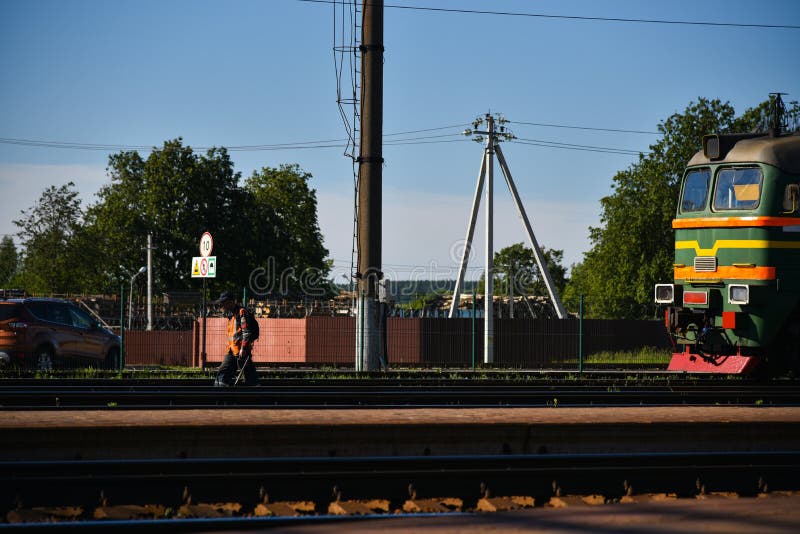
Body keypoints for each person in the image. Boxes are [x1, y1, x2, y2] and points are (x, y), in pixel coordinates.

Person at [213, 291, 259, 387]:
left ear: (230, 302)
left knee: (249, 377)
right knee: (223, 375)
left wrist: (243, 348)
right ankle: (220, 393)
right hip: (232, 350)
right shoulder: (231, 314)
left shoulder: (241, 312)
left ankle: (256, 392)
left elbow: (246, 332)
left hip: (240, 351)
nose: (222, 305)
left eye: (223, 303)